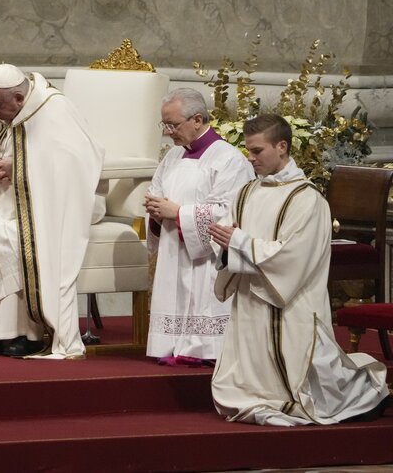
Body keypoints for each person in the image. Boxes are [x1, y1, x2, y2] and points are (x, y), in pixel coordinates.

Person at [208, 114, 389, 425]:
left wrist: (239, 242)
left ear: (282, 146)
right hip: (251, 300)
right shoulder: (246, 192)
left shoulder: (308, 201)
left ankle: (365, 391)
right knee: (246, 382)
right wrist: (226, 247)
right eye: (248, 151)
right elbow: (231, 237)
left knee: (311, 382)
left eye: (257, 151)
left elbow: (293, 259)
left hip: (289, 303)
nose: (250, 159)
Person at [0, 64, 103, 358]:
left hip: (48, 207)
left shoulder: (56, 109)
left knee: (5, 239)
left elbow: (80, 164)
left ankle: (24, 333)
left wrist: (19, 168)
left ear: (18, 99)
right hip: (2, 201)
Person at [144, 88, 254, 365]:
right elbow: (156, 192)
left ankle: (204, 348)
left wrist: (178, 212)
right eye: (164, 125)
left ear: (197, 119)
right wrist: (155, 211)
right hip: (173, 247)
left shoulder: (228, 159)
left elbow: (229, 213)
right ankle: (172, 343)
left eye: (173, 124)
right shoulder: (172, 157)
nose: (168, 132)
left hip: (205, 258)